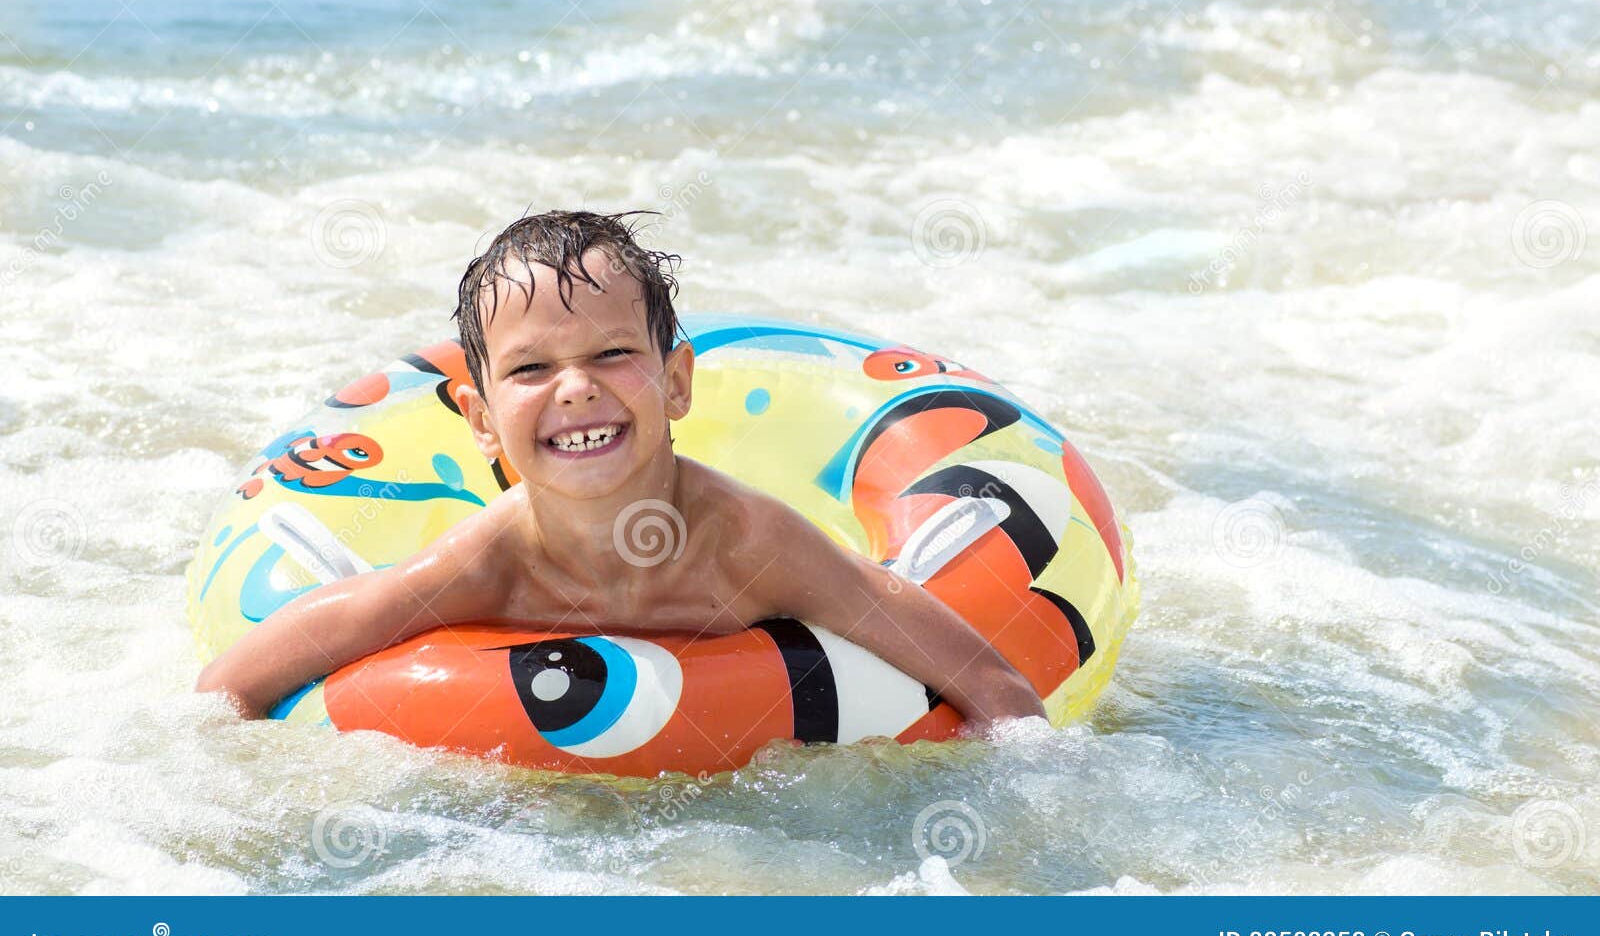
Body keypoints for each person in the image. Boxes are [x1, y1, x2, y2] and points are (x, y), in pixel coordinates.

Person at [196, 210, 1046, 728]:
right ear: (482, 422)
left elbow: (986, 679)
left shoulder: (751, 545)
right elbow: (246, 677)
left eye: (611, 353)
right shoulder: (486, 564)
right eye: (530, 370)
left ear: (675, 384)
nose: (575, 390)